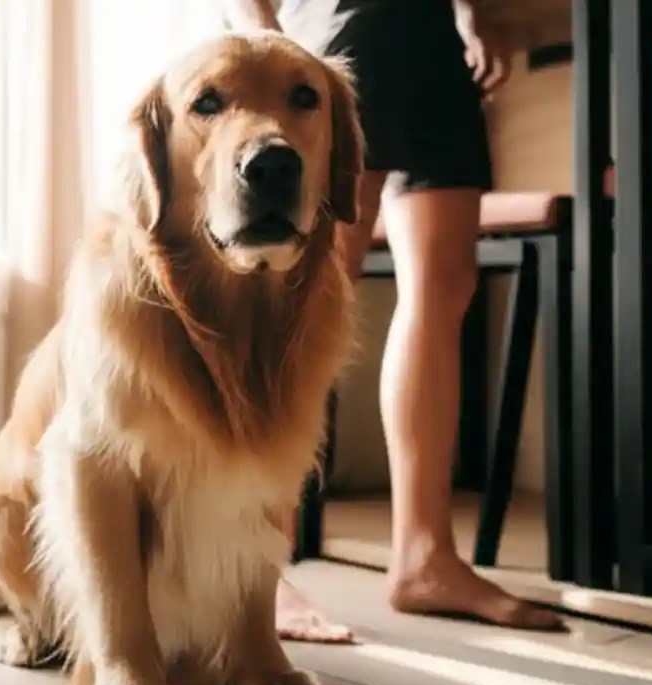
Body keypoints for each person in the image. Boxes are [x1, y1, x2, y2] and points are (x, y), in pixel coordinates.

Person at [219, 0, 563, 640]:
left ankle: (425, 556)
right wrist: (260, 34)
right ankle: (256, 572)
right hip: (350, 22)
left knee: (447, 282)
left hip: (428, 29)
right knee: (315, 286)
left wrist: (468, 16)